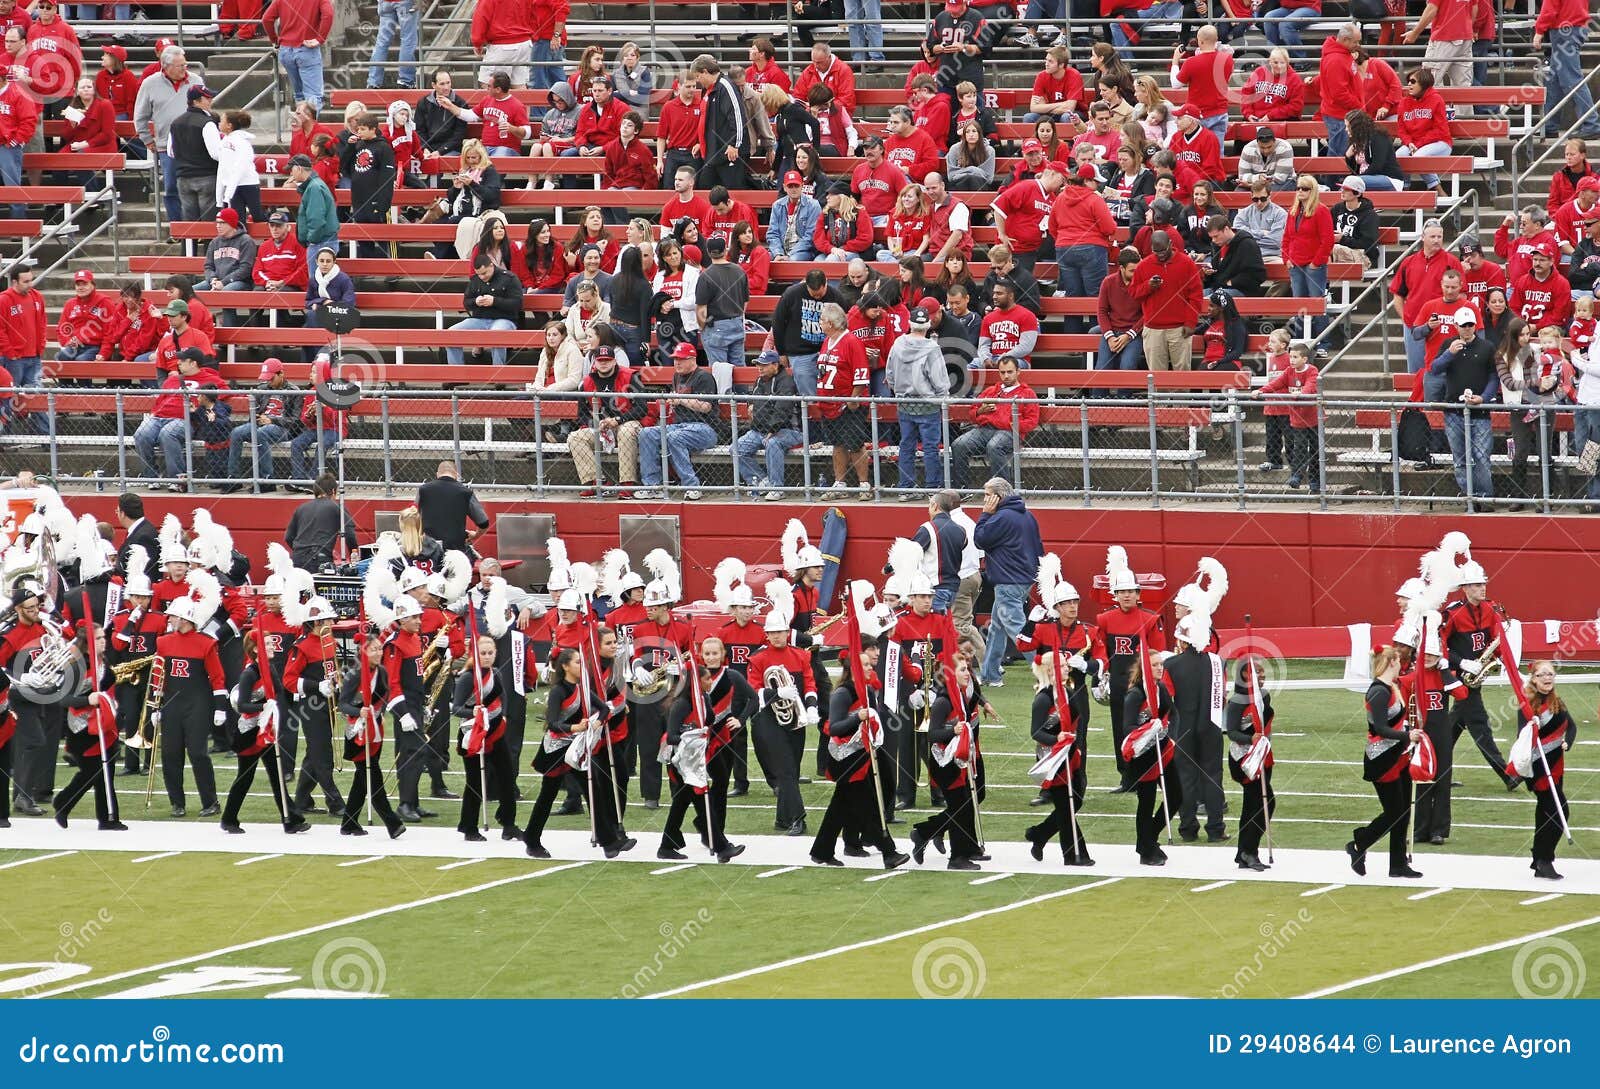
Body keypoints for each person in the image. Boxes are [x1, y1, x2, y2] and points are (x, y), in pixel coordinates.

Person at [1348, 646, 1425, 878]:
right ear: (1391, 661)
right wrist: (1406, 735)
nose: (1402, 663)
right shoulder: (1378, 692)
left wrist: (1411, 731)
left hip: (1399, 755)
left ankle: (1398, 864)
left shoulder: (1393, 686)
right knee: (1394, 813)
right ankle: (1360, 842)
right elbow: (1380, 728)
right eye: (1399, 660)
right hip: (1381, 758)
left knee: (1403, 812)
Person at [971, 477, 1042, 688]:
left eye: (986, 495)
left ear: (997, 497)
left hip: (1008, 581)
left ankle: (1047, 670)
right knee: (997, 629)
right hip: (1023, 580)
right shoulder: (1027, 515)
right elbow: (1038, 547)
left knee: (1018, 630)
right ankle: (990, 674)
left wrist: (984, 515)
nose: (984, 500)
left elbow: (980, 539)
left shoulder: (1000, 517)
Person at [1428, 310, 1497, 498]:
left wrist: (1483, 398)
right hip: (1454, 411)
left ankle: (1484, 497)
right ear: (1456, 326)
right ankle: (1470, 496)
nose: (1467, 329)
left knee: (1482, 456)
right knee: (1460, 459)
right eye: (1463, 325)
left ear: (1475, 325)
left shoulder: (1486, 347)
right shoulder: (1448, 345)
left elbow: (1493, 377)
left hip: (1480, 411)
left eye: (1470, 325)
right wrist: (1449, 354)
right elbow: (1434, 369)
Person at [132, 45, 201, 225]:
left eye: (185, 65)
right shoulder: (150, 83)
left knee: (197, 186)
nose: (185, 69)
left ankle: (198, 228)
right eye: (181, 66)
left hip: (196, 145)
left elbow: (207, 111)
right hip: (166, 146)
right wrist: (147, 139)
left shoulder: (196, 81)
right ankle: (178, 227)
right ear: (166, 66)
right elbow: (140, 116)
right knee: (171, 187)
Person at [1518, 661, 1575, 880]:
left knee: (1545, 813)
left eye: (1550, 674)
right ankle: (1545, 858)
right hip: (1538, 767)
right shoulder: (1527, 704)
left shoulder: (1556, 701)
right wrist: (1531, 726)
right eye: (1542, 675)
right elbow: (1521, 739)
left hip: (1556, 765)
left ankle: (1539, 859)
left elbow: (1571, 726)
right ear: (1533, 678)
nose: (1547, 678)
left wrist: (1567, 743)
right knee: (1559, 811)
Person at [814, 303, 872, 498]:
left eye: (822, 320)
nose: (820, 323)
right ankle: (840, 483)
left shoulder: (851, 342)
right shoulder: (827, 341)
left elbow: (861, 372)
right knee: (837, 444)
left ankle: (864, 485)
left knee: (855, 444)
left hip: (846, 404)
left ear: (831, 323)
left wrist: (853, 398)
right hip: (828, 402)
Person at [223, 357, 299, 492]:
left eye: (271, 378)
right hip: (260, 424)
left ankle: (267, 480)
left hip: (282, 428)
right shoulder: (262, 389)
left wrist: (272, 420)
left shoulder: (294, 391)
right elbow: (255, 411)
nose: (268, 381)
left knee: (260, 434)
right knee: (236, 432)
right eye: (267, 378)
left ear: (281, 374)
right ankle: (233, 478)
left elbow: (295, 421)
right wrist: (256, 416)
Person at [736, 349, 803, 501]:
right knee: (736, 448)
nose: (760, 368)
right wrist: (751, 405)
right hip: (760, 430)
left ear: (775, 365)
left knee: (772, 443)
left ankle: (776, 487)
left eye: (764, 365)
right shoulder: (760, 380)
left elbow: (783, 409)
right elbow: (752, 400)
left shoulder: (786, 382)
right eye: (758, 364)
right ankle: (761, 481)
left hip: (789, 430)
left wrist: (772, 430)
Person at [1132, 231, 1205, 371]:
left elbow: (1196, 296)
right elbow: (1134, 293)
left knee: (1182, 372)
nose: (1160, 254)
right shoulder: (1143, 265)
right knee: (1156, 375)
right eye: (1156, 251)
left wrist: (1190, 322)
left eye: (1163, 250)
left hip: (1179, 329)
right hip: (1153, 329)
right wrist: (1148, 286)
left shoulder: (1186, 263)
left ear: (1170, 244)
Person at [1532, 0, 1600, 139]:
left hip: (1564, 29)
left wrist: (1539, 30)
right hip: (1575, 26)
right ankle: (1549, 125)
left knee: (1572, 80)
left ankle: (1591, 123)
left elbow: (1550, 7)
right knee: (1554, 80)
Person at [772, 267, 841, 395]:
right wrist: (781, 352)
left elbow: (845, 323)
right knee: (808, 394)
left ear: (826, 283)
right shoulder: (791, 294)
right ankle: (811, 415)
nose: (817, 297)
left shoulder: (836, 296)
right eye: (813, 294)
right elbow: (778, 322)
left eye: (820, 294)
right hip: (800, 352)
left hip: (827, 351)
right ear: (806, 285)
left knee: (829, 390)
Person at [1282, 176, 1335, 343]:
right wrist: (1287, 259)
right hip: (1295, 264)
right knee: (1299, 304)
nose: (1300, 191)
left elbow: (1328, 240)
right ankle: (1300, 341)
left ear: (1312, 191)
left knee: (1316, 304)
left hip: (1313, 265)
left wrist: (1316, 262)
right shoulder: (1293, 211)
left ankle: (1323, 342)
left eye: (1304, 189)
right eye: (1298, 188)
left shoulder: (1321, 210)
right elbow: (1286, 238)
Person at [447, 254, 522, 367]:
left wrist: (495, 301)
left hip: (505, 319)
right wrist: (475, 302)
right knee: (451, 333)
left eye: (484, 273)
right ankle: (456, 373)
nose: (482, 277)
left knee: (496, 334)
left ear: (491, 265)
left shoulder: (509, 278)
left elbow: (517, 304)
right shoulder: (475, 280)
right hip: (479, 319)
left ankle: (498, 374)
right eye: (478, 274)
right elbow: (466, 303)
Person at [263, 0, 332, 110]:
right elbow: (328, 14)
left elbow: (266, 19)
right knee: (314, 96)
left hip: (286, 51)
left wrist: (275, 40)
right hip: (307, 49)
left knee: (299, 95)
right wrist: (320, 38)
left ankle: (300, 125)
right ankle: (309, 126)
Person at [284, 473, 357, 570]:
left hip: (297, 558)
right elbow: (349, 534)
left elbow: (289, 537)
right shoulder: (337, 507)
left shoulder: (301, 508)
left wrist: (301, 551)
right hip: (320, 558)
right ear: (333, 491)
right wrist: (354, 552)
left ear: (315, 491)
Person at [417, 462, 490, 555]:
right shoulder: (465, 492)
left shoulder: (423, 490)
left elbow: (412, 515)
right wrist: (476, 535)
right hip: (455, 550)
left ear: (437, 474)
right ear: (456, 474)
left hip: (427, 548)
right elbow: (483, 522)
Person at [202, 209, 256, 328]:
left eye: (222, 223)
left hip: (241, 282)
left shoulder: (246, 241)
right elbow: (208, 266)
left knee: (226, 292)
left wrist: (224, 282)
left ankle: (229, 338)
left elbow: (246, 269)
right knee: (189, 292)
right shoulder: (214, 242)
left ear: (232, 224)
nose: (218, 226)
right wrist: (213, 280)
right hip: (216, 281)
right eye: (217, 223)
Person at [287, 154, 337, 280]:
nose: (290, 173)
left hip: (320, 243)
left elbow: (316, 219)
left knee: (319, 283)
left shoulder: (314, 188)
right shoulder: (314, 185)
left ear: (299, 169)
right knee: (321, 282)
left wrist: (311, 240)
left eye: (291, 169)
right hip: (323, 241)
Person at [1316, 22, 1363, 156]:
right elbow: (1339, 94)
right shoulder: (1336, 59)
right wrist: (1358, 106)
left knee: (1342, 154)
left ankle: (1336, 176)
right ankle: (1332, 177)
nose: (1358, 45)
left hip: (1344, 114)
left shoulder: (1342, 54)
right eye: (1356, 42)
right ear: (1345, 40)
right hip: (1339, 115)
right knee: (1339, 156)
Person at [54, 269, 115, 364]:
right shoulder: (70, 304)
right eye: (78, 285)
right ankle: (64, 379)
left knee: (81, 361)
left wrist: (104, 353)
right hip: (75, 347)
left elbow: (110, 332)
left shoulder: (105, 302)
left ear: (93, 285)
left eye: (85, 284)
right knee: (61, 357)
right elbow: (62, 329)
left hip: (95, 347)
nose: (81, 288)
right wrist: (68, 341)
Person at [1203, 215, 1265, 299]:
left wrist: (1231, 282)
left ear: (1226, 229)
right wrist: (1209, 273)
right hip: (1218, 288)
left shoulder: (1247, 244)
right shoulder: (1217, 245)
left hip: (1241, 290)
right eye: (1211, 237)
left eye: (1216, 236)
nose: (1213, 240)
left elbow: (1257, 274)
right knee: (1192, 297)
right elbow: (1217, 272)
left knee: (1209, 301)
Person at [367, 0, 420, 90]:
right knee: (408, 40)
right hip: (405, 3)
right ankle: (405, 81)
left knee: (382, 42)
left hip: (385, 3)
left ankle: (373, 82)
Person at [1239, 128, 1295, 192]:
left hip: (1282, 183)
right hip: (1256, 182)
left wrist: (1251, 185)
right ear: (1257, 143)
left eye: (1269, 147)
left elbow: (1280, 179)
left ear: (1274, 141)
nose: (1266, 151)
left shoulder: (1285, 148)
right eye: (1262, 147)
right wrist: (1258, 178)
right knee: (1238, 193)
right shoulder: (1247, 149)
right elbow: (1242, 176)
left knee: (1268, 193)